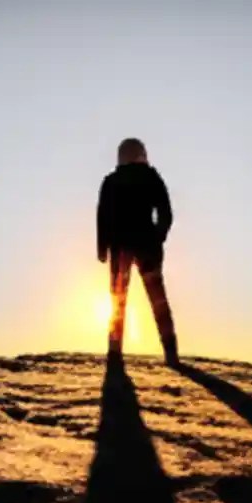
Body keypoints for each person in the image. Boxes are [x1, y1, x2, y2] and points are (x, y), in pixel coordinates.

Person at [97, 137, 179, 368]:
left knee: (118, 300)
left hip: (122, 247)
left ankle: (114, 352)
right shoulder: (150, 177)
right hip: (146, 247)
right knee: (157, 300)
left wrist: (102, 248)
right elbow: (166, 214)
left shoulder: (111, 181)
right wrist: (157, 237)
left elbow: (102, 217)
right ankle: (170, 352)